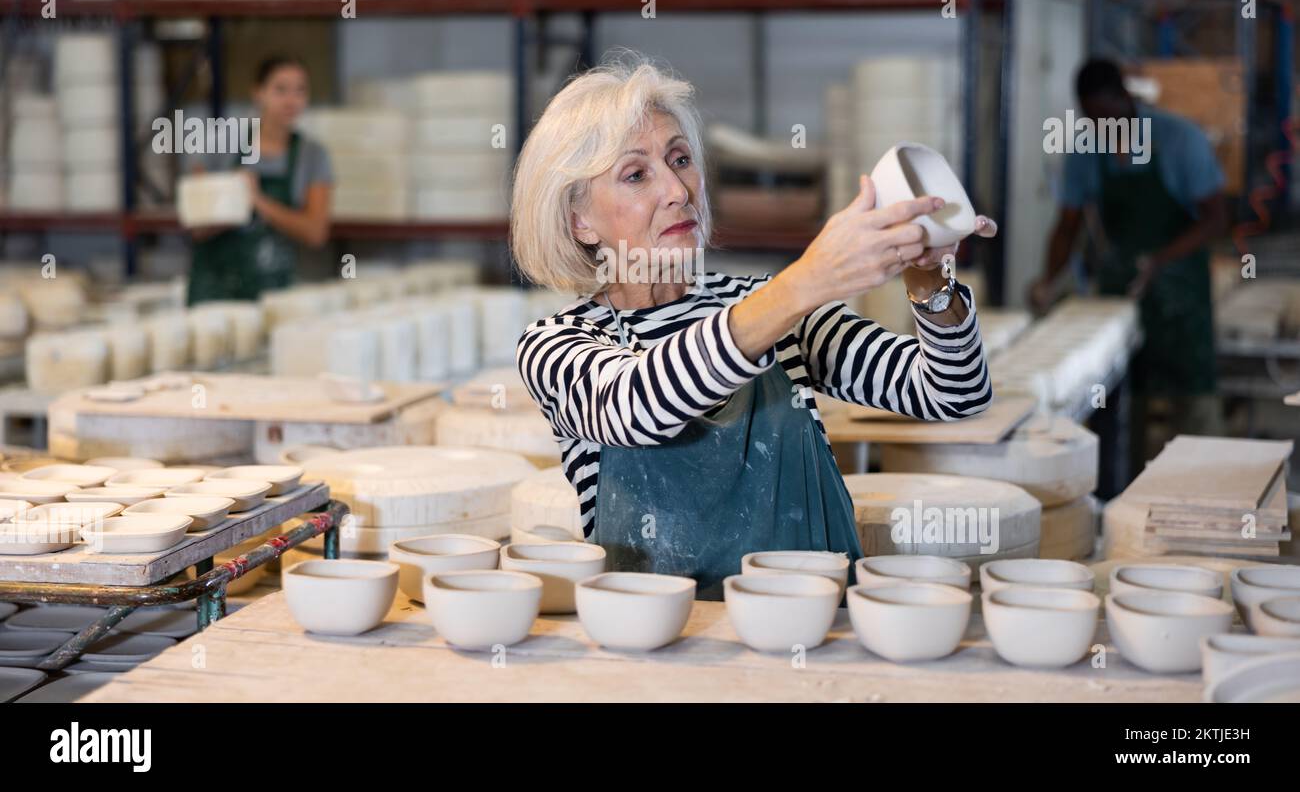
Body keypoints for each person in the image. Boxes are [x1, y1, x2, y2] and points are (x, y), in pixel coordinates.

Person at [511, 57, 997, 599]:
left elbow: (955, 394)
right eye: (636, 174)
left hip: (816, 627)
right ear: (579, 219)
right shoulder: (556, 344)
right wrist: (806, 282)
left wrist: (929, 281)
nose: (677, 190)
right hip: (661, 649)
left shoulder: (766, 306)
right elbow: (637, 406)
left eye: (680, 159)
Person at [1030, 58, 1227, 465]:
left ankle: (1203, 485)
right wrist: (1047, 282)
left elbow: (1217, 218)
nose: (1102, 129)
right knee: (1123, 403)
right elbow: (1067, 226)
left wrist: (1159, 260)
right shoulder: (1086, 152)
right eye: (1092, 120)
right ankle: (1127, 492)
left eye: (1108, 117)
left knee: (1191, 398)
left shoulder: (1177, 139)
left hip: (1180, 292)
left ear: (1125, 98)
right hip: (1122, 292)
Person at [186, 55, 334, 304]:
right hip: (214, 291)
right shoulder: (223, 144)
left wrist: (260, 202)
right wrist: (232, 197)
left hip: (274, 294)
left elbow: (315, 233)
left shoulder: (313, 155)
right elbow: (196, 228)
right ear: (258, 93)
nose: (291, 100)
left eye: (300, 91)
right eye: (280, 90)